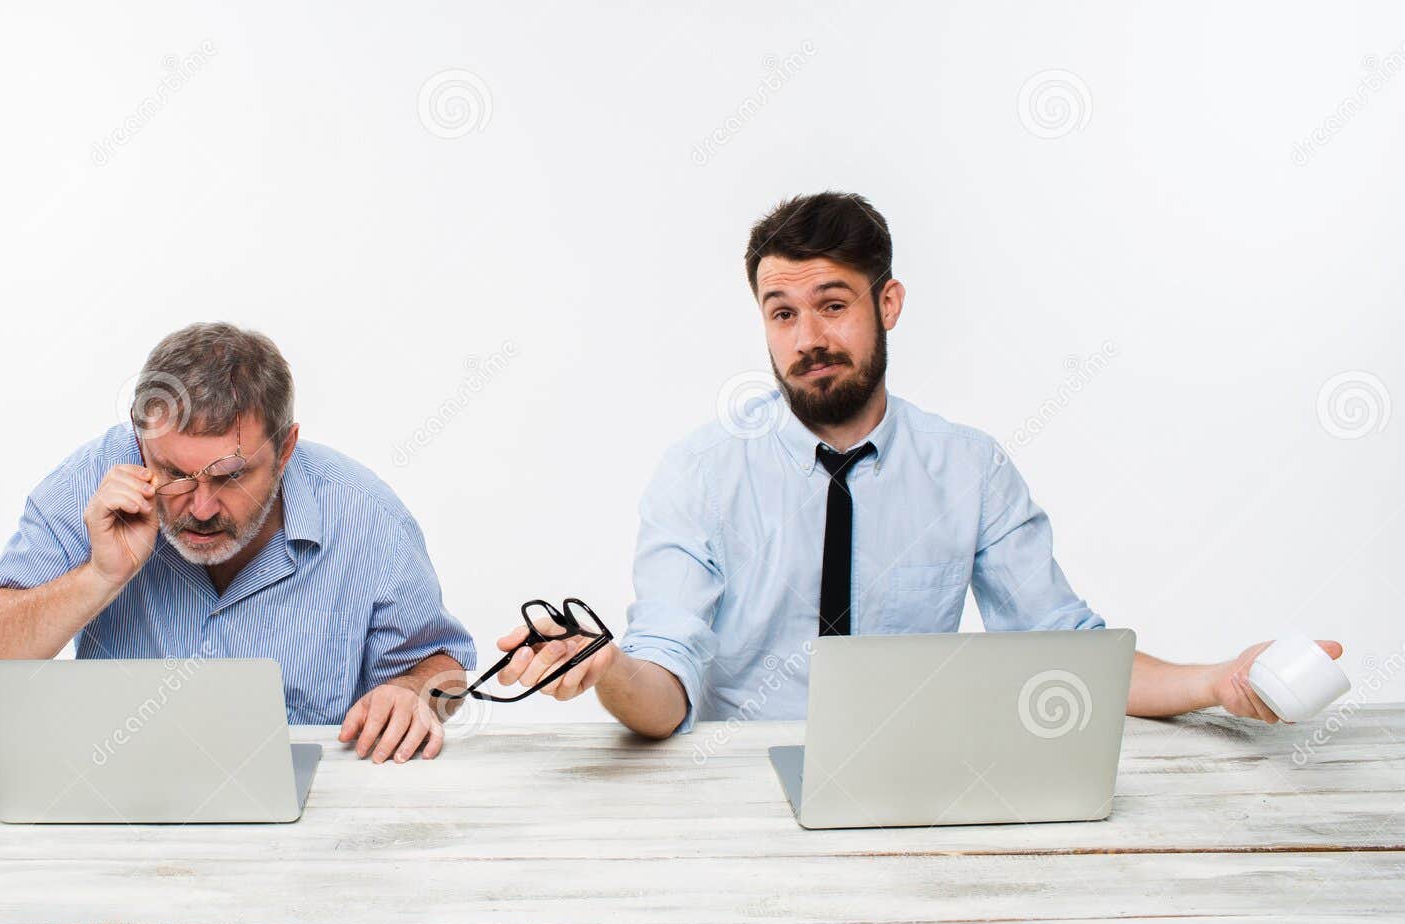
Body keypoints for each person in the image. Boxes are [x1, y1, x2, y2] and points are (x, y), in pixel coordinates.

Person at [491, 191, 1341, 737]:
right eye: (781, 312)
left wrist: (1218, 679)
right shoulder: (700, 472)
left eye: (833, 305)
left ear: (887, 303)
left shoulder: (968, 470)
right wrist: (608, 668)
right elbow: (664, 685)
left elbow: (1062, 648)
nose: (808, 338)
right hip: (728, 794)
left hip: (904, 794)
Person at [0, 322, 472, 763]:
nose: (200, 509)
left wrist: (410, 694)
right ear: (140, 441)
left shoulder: (367, 514)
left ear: (286, 448)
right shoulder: (91, 481)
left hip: (315, 821)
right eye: (174, 473)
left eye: (230, 477)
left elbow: (442, 668)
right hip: (121, 797)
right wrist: (99, 577)